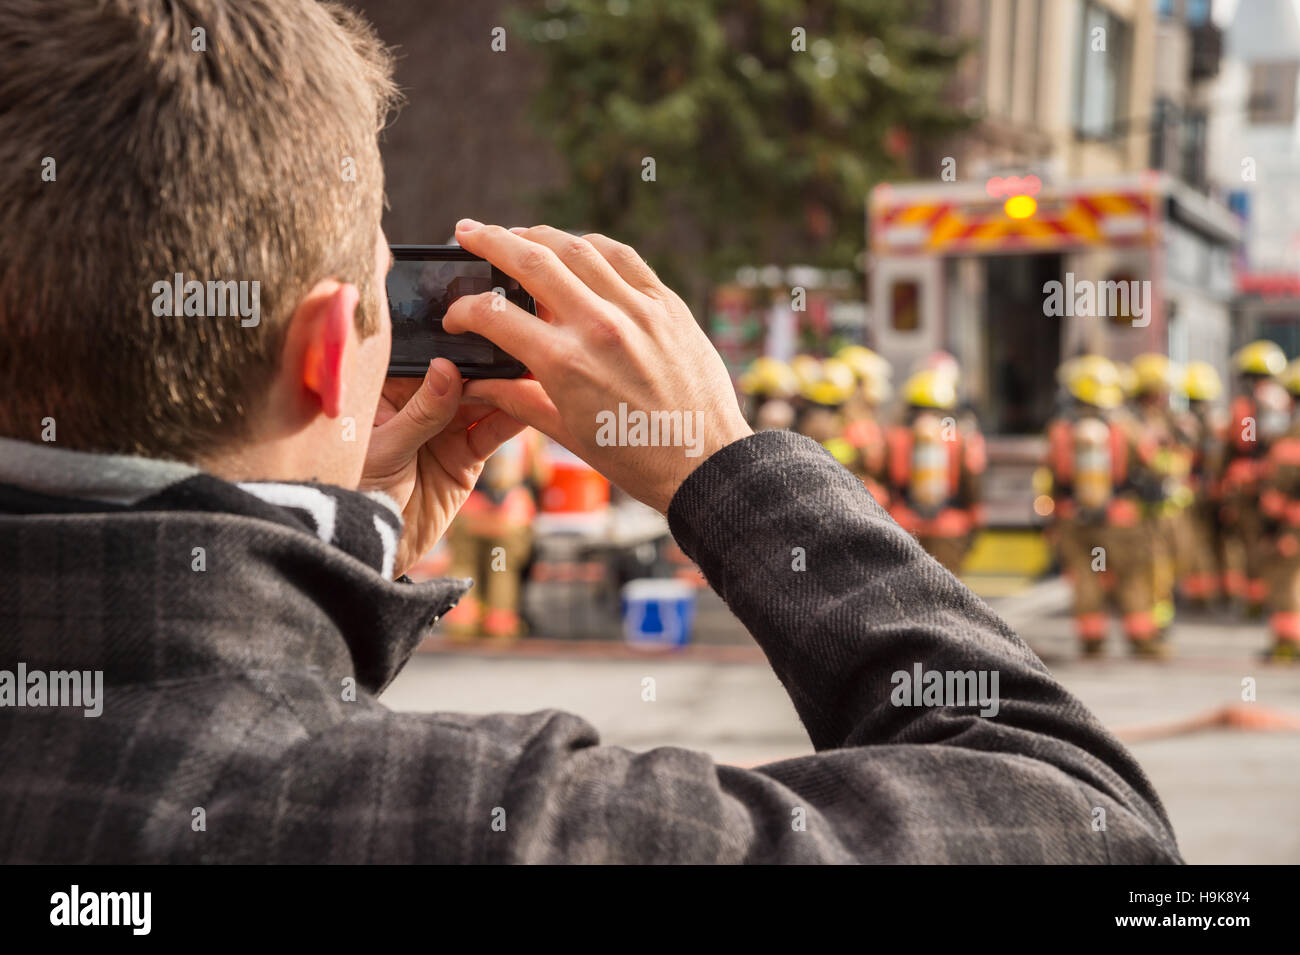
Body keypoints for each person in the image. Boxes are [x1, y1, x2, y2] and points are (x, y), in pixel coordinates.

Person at [0, 0, 1180, 864]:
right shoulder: (509, 825)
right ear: (324, 358)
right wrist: (724, 465)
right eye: (382, 300)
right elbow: (1094, 826)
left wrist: (322, 574)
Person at [1045, 357, 1160, 657]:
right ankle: (1142, 641)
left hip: (1075, 518)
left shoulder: (1061, 430)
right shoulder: (1126, 427)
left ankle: (1092, 642)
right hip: (1121, 518)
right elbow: (1152, 462)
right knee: (1131, 579)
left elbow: (1054, 474)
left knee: (1085, 579)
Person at [884, 368, 986, 574]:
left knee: (906, 594)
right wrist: (975, 522)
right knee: (946, 596)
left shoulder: (893, 438)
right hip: (949, 526)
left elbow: (886, 482)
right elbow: (971, 485)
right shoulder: (960, 439)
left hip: (903, 525)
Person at [1221, 340, 1291, 617]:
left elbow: (1241, 444)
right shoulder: (1283, 402)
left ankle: (1256, 602)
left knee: (1252, 545)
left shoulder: (1244, 406)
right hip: (1277, 484)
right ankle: (1274, 599)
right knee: (1277, 543)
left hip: (1249, 486)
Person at [1177, 362, 1228, 609]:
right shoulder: (1216, 423)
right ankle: (1211, 593)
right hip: (1208, 491)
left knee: (1199, 543)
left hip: (1199, 491)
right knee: (1212, 543)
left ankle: (1203, 595)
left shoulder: (1192, 424)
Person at [1259, 359, 1300, 661]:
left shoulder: (1292, 439)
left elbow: (1279, 488)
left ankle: (1287, 644)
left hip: (1292, 524)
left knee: (1286, 580)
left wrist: (1270, 524)